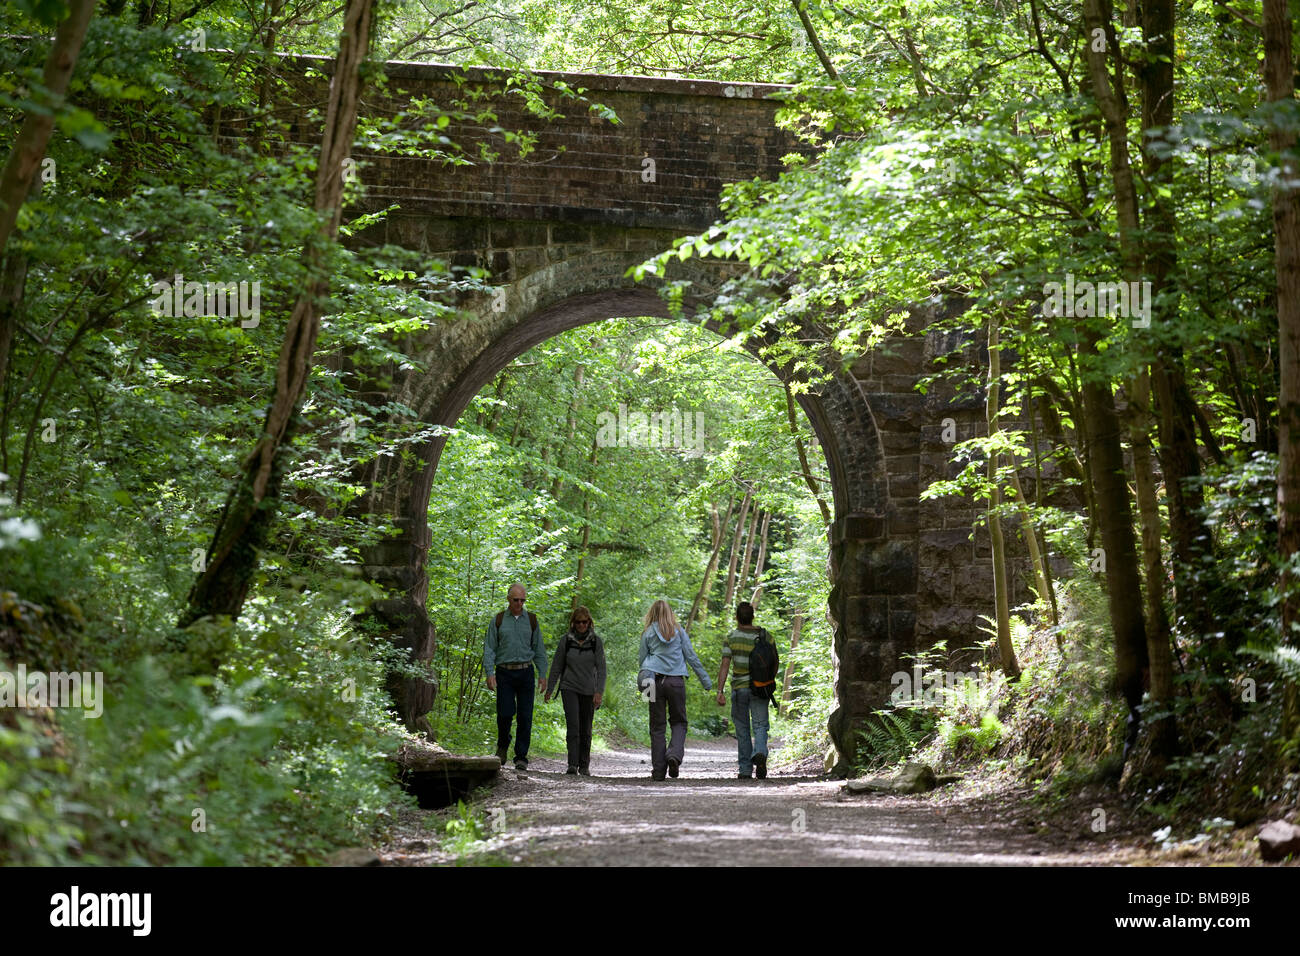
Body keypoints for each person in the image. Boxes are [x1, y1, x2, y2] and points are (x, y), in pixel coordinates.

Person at [637, 599, 712, 781]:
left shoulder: (647, 633)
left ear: (652, 614)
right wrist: (706, 681)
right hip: (676, 681)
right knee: (679, 722)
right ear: (671, 613)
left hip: (651, 681)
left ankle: (658, 771)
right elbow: (691, 657)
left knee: (656, 726)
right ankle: (674, 755)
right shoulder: (679, 632)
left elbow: (641, 660)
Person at [483, 583, 547, 771]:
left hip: (526, 672)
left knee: (525, 716)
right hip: (504, 672)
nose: (519, 603)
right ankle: (503, 745)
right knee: (504, 713)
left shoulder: (532, 620)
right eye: (516, 600)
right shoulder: (499, 620)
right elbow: (489, 648)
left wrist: (543, 675)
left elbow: (539, 650)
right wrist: (489, 673)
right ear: (508, 599)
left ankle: (521, 756)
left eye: (522, 600)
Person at [544, 606, 607, 776]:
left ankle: (584, 765)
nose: (581, 625)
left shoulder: (596, 642)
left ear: (589, 623)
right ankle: (572, 764)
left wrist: (599, 692)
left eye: (584, 622)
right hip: (569, 687)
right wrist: (550, 689)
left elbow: (602, 669)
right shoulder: (566, 640)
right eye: (578, 622)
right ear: (573, 623)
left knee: (585, 729)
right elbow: (557, 665)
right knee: (573, 726)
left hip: (589, 690)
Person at [715, 601, 772, 779]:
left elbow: (725, 665)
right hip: (761, 688)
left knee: (742, 729)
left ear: (737, 617)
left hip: (740, 689)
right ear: (753, 616)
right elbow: (773, 663)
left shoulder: (731, 637)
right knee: (761, 725)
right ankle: (761, 752)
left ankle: (746, 769)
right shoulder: (765, 636)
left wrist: (720, 691)